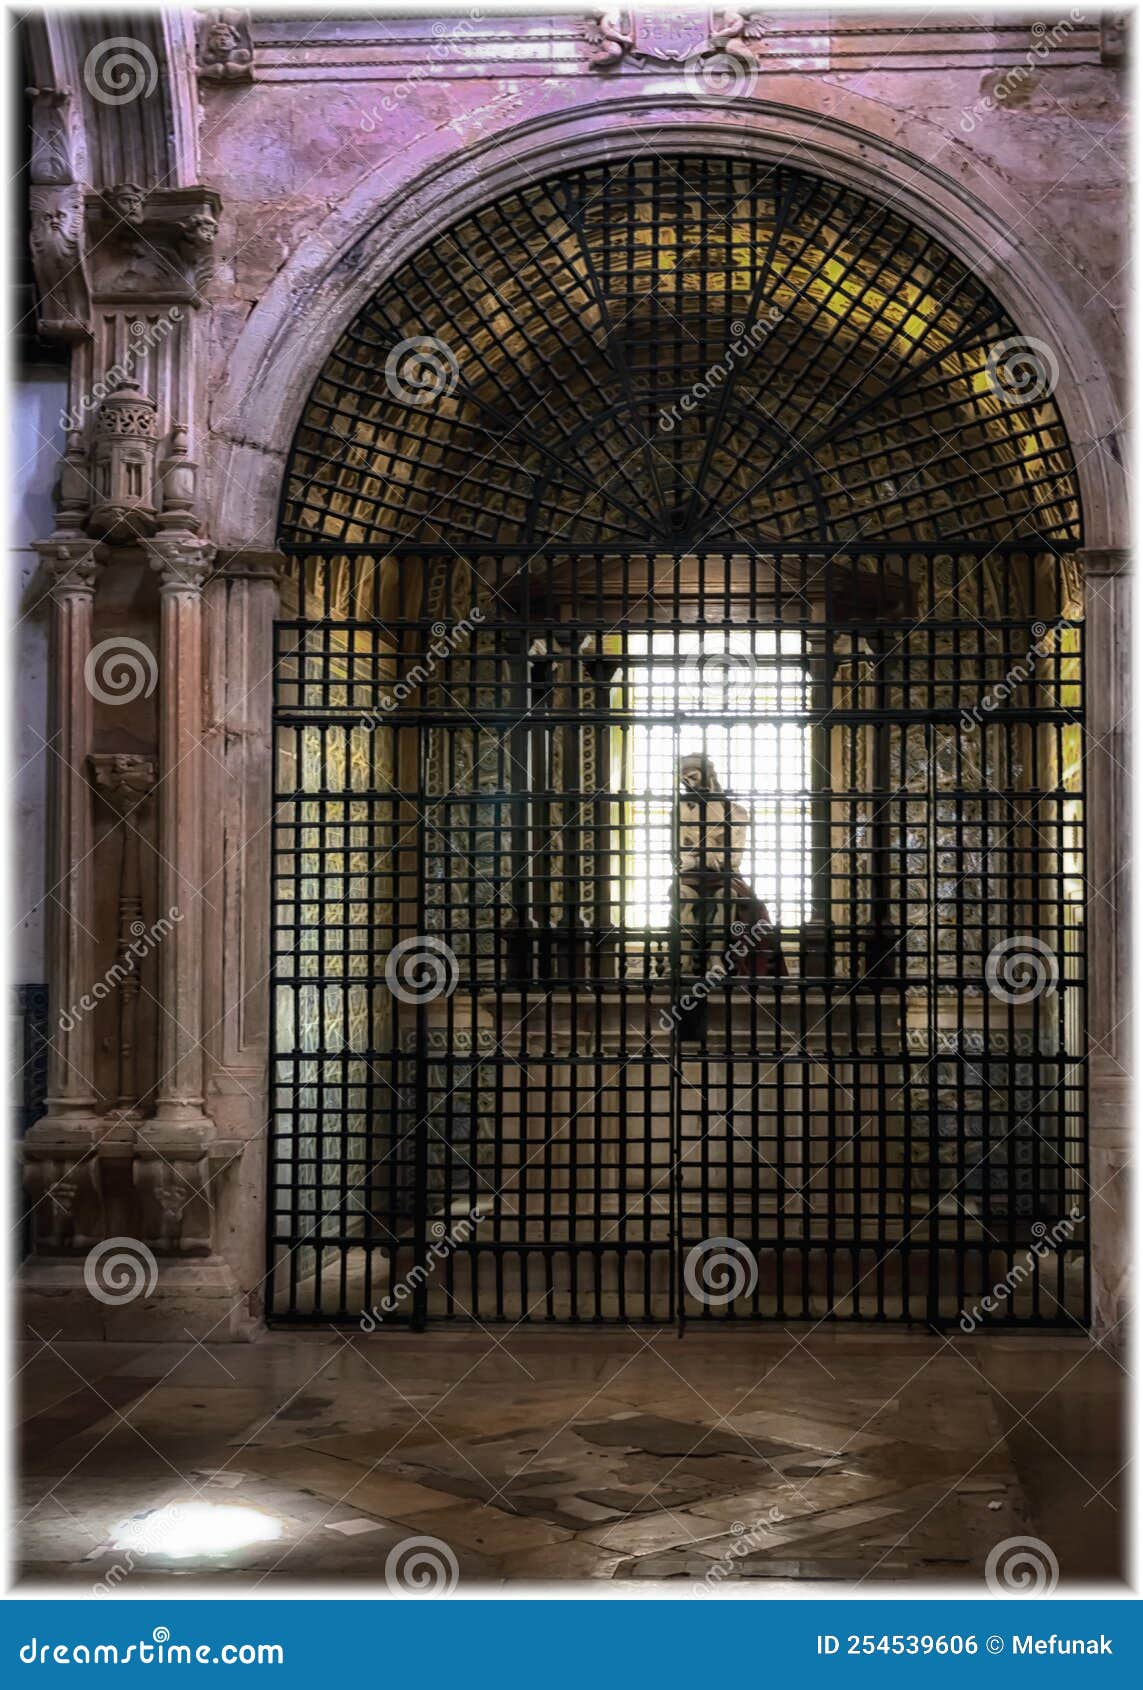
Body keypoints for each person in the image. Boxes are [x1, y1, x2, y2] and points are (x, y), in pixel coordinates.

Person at [676, 753, 786, 1019]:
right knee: (681, 896)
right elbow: (678, 856)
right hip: (690, 878)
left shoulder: (735, 812)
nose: (688, 784)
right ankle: (683, 963)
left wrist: (701, 855)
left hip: (725, 878)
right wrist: (704, 855)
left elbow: (733, 857)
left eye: (693, 777)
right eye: (683, 780)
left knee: (726, 897)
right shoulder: (678, 811)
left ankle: (716, 958)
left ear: (708, 775)